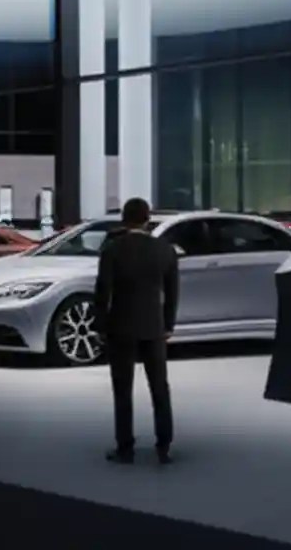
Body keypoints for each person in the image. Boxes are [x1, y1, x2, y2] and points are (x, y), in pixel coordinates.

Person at [94, 197, 179, 465]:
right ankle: (164, 447)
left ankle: (125, 448)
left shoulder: (113, 249)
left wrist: (101, 325)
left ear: (123, 218)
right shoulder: (165, 250)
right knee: (159, 388)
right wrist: (168, 324)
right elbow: (173, 292)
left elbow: (102, 291)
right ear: (148, 218)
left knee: (123, 390)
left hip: (121, 326)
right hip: (154, 327)